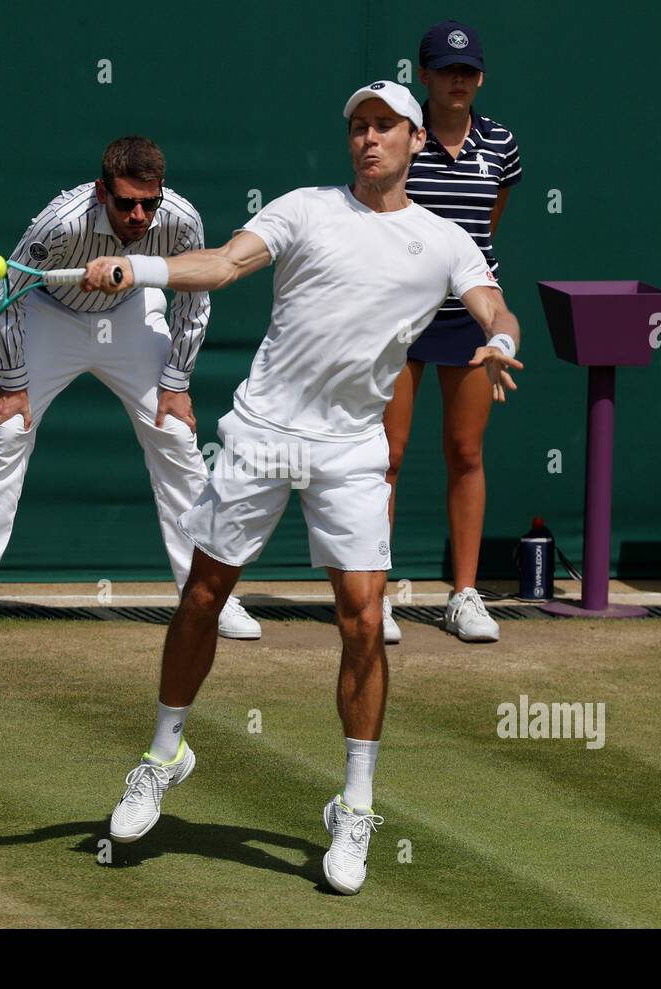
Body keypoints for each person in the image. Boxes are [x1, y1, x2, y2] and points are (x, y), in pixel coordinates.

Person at [81, 83, 524, 895]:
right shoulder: (304, 209)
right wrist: (138, 267)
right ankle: (163, 753)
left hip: (353, 450)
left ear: (415, 141)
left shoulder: (446, 240)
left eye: (384, 127)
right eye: (357, 127)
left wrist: (497, 339)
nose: (367, 139)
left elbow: (492, 302)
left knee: (362, 620)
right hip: (262, 434)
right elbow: (220, 264)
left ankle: (353, 807)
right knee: (203, 595)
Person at [0, 137, 261, 640]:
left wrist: (176, 382)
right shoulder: (62, 221)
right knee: (7, 432)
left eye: (150, 202)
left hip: (130, 314)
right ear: (103, 192)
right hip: (50, 317)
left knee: (175, 436)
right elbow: (8, 291)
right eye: (126, 203)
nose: (139, 215)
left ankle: (209, 596)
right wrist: (13, 386)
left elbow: (194, 297)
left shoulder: (182, 221)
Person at [384, 20, 524, 644]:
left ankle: (464, 596)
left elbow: (485, 227)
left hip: (469, 321)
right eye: (446, 71)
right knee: (383, 458)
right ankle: (375, 593)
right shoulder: (402, 142)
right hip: (399, 322)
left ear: (481, 77)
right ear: (426, 76)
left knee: (466, 453)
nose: (457, 81)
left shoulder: (502, 144)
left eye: (467, 72)